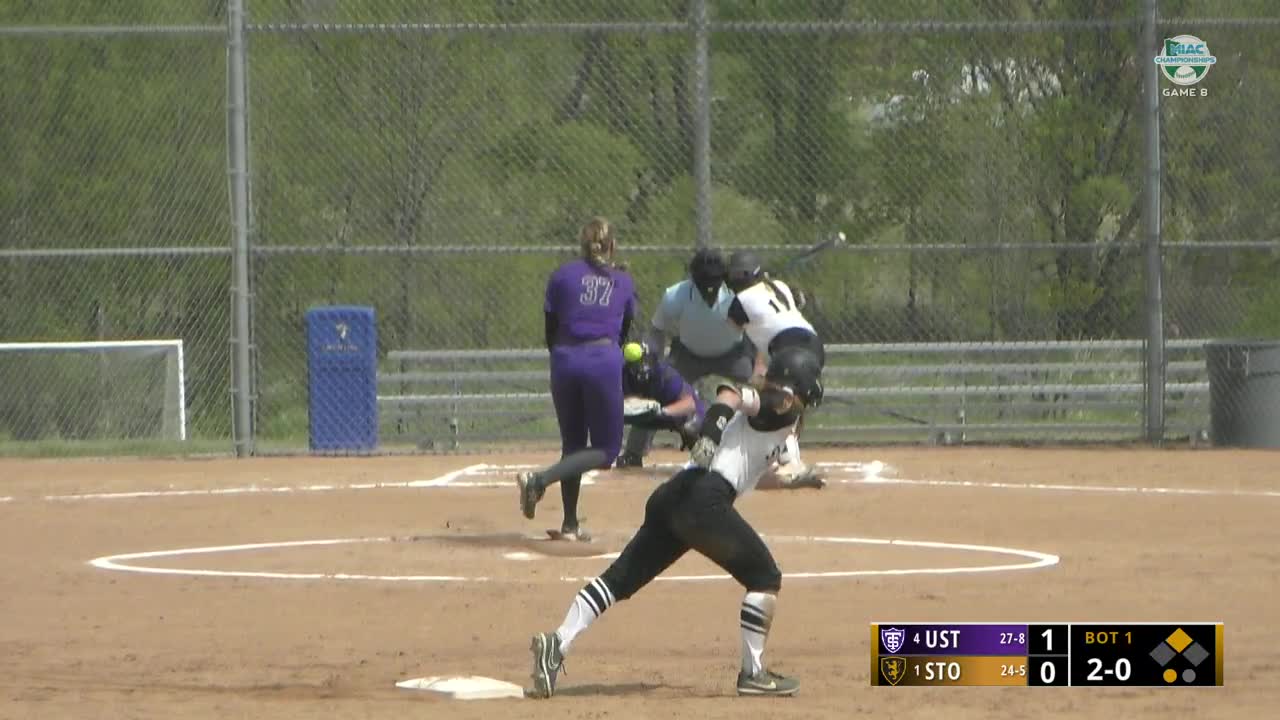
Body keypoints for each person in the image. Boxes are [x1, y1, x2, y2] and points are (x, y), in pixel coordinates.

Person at [523, 346, 825, 699]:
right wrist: (711, 435)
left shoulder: (784, 430)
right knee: (765, 577)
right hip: (705, 501)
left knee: (618, 581)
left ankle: (556, 643)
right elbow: (730, 396)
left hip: (675, 498)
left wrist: (798, 480)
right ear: (794, 392)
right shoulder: (774, 406)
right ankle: (754, 674)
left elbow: (757, 473)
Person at [516, 217, 636, 543]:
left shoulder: (562, 275)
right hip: (602, 360)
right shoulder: (622, 281)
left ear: (583, 245)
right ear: (611, 246)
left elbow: (549, 329)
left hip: (565, 360)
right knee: (607, 450)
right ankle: (539, 481)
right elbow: (624, 332)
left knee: (573, 445)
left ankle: (570, 524)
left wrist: (565, 355)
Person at [691, 250, 826, 485]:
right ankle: (787, 457)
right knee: (791, 402)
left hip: (788, 348)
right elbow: (797, 300)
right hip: (812, 344)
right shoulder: (779, 286)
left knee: (777, 400)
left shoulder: (739, 302)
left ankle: (790, 461)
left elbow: (734, 329)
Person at [617, 247, 755, 468]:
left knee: (754, 395)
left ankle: (761, 452)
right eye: (703, 280)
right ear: (693, 278)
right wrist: (652, 362)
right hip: (688, 355)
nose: (709, 287)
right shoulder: (676, 295)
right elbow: (657, 329)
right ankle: (634, 452)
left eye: (715, 280)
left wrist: (755, 358)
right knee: (655, 391)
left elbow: (756, 326)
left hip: (733, 355)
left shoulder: (736, 294)